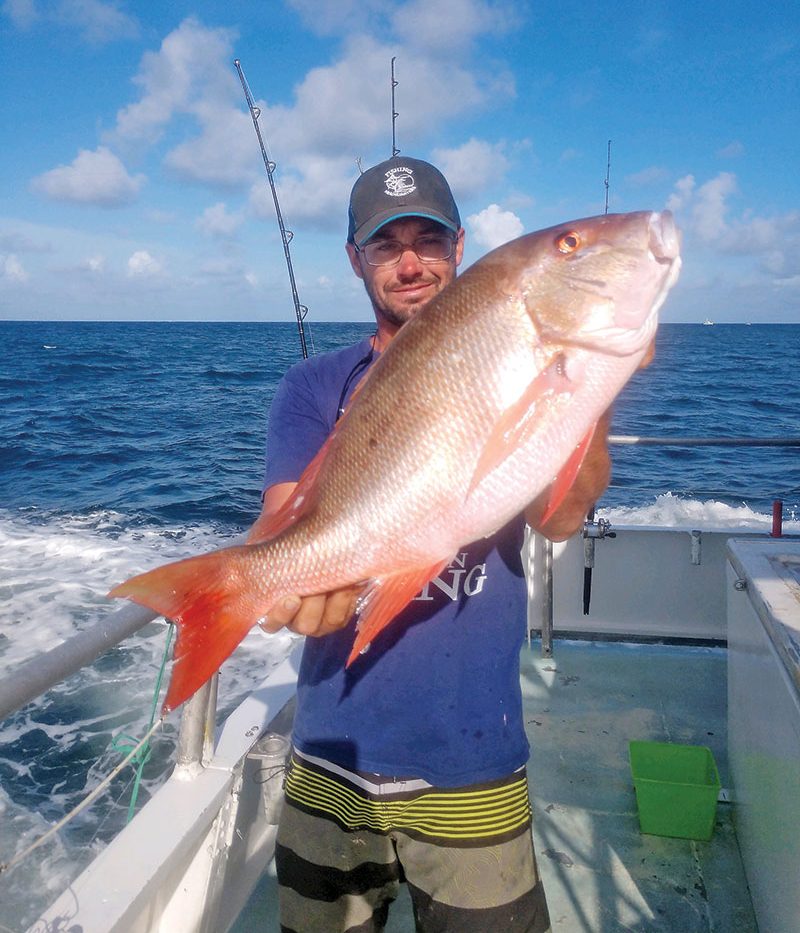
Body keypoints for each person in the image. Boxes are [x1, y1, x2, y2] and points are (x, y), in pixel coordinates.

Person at [249, 156, 613, 933]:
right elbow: (280, 526)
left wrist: (592, 386)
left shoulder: (518, 365)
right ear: (356, 258)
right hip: (330, 757)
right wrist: (271, 584)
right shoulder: (313, 386)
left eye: (429, 239)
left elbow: (559, 516)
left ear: (459, 245)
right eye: (387, 244)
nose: (410, 262)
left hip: (471, 762)